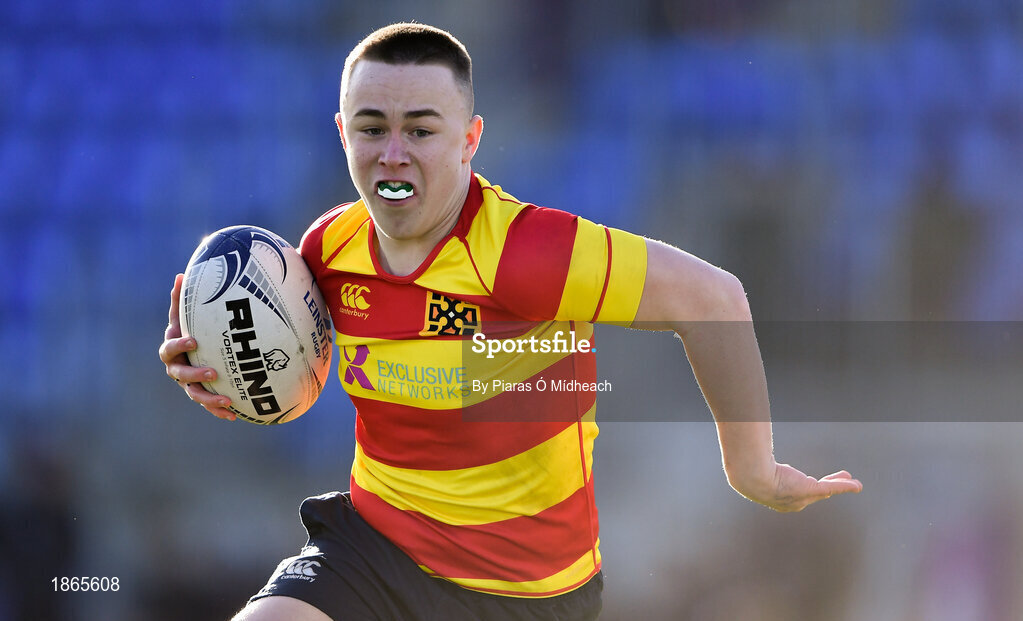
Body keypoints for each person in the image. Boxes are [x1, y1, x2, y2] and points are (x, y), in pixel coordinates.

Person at [159, 22, 862, 621]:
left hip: (527, 594)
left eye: (420, 130)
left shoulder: (526, 253)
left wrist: (752, 469)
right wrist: (215, 370)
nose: (392, 152)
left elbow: (713, 299)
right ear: (343, 132)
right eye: (371, 128)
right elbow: (290, 367)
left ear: (469, 139)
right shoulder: (323, 251)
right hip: (376, 548)